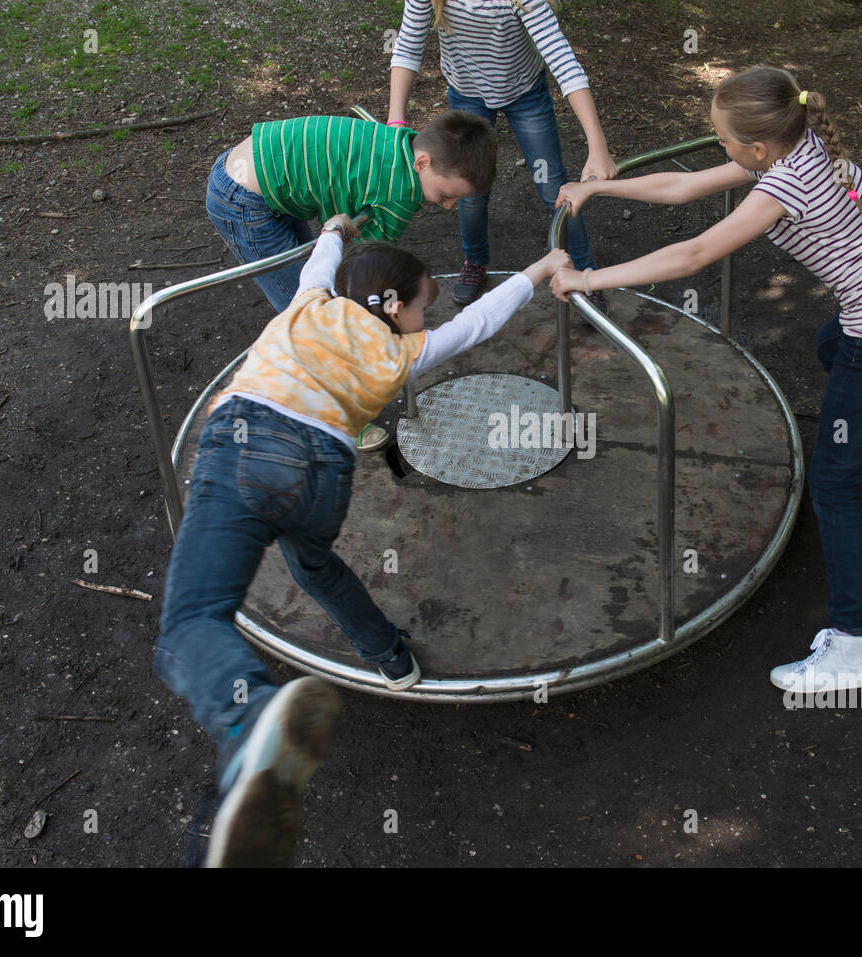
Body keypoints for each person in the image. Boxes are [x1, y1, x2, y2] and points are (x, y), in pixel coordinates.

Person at [155, 213, 572, 865]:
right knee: (314, 565)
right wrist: (539, 269)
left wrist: (333, 229)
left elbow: (320, 263)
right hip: (322, 473)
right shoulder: (402, 352)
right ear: (397, 307)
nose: (426, 323)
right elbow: (482, 321)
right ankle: (390, 656)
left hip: (248, 442)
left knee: (189, 622)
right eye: (423, 310)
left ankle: (248, 717)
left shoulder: (312, 301)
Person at [550, 66, 862, 695]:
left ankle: (853, 650)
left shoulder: (783, 186)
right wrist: (601, 190)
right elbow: (684, 190)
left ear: (758, 148)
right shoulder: (800, 142)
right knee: (831, 346)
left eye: (724, 139)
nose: (721, 148)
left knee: (830, 483)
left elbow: (693, 253)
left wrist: (586, 279)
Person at [207, 110, 496, 451]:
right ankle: (333, 415)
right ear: (422, 163)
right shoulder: (398, 196)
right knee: (308, 317)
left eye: (458, 200)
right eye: (447, 194)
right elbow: (363, 270)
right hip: (245, 203)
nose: (448, 206)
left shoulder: (401, 144)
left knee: (316, 285)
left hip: (249, 173)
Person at [387, 0, 616, 307]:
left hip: (525, 94)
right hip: (467, 94)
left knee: (552, 187)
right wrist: (395, 124)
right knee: (468, 189)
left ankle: (586, 274)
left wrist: (597, 146)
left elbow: (563, 61)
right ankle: (474, 263)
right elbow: (407, 47)